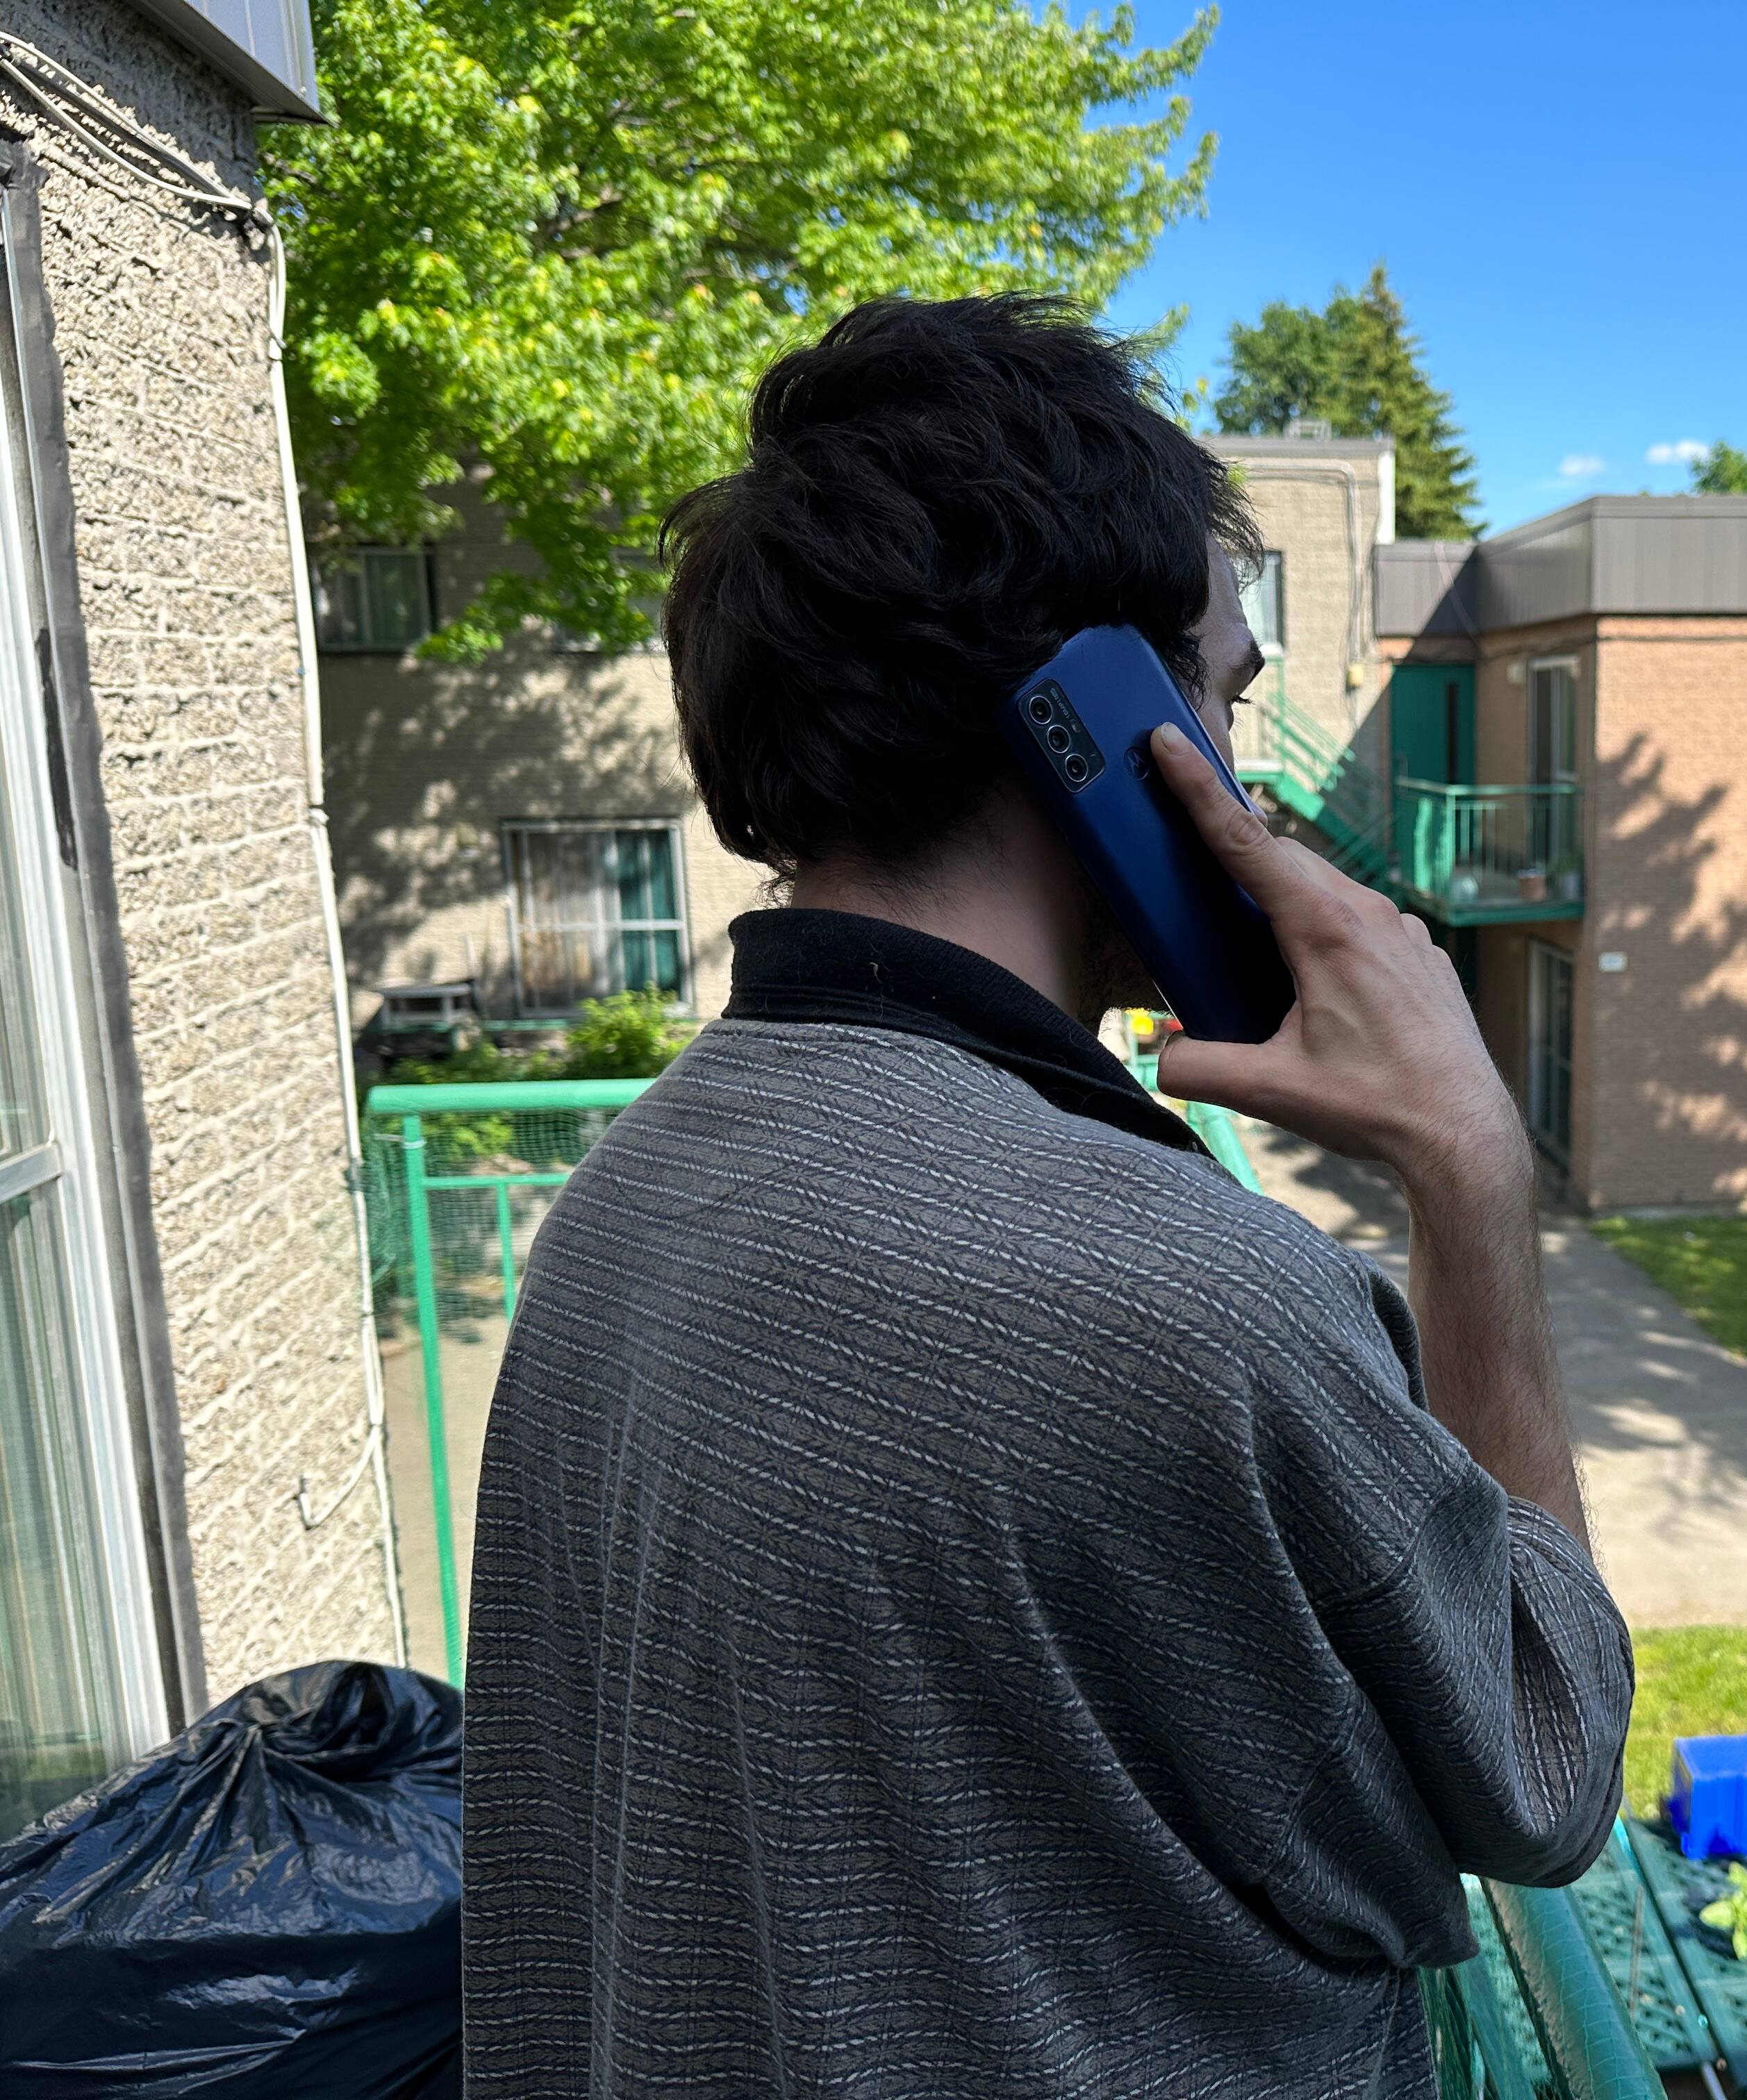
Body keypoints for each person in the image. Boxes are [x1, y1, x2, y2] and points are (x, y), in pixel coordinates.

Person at [461, 294, 1634, 2099]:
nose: (1246, 774)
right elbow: (1545, 1767)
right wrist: (1472, 1174)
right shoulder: (1202, 1307)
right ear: (1098, 724)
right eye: (1224, 698)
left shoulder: (622, 1208)